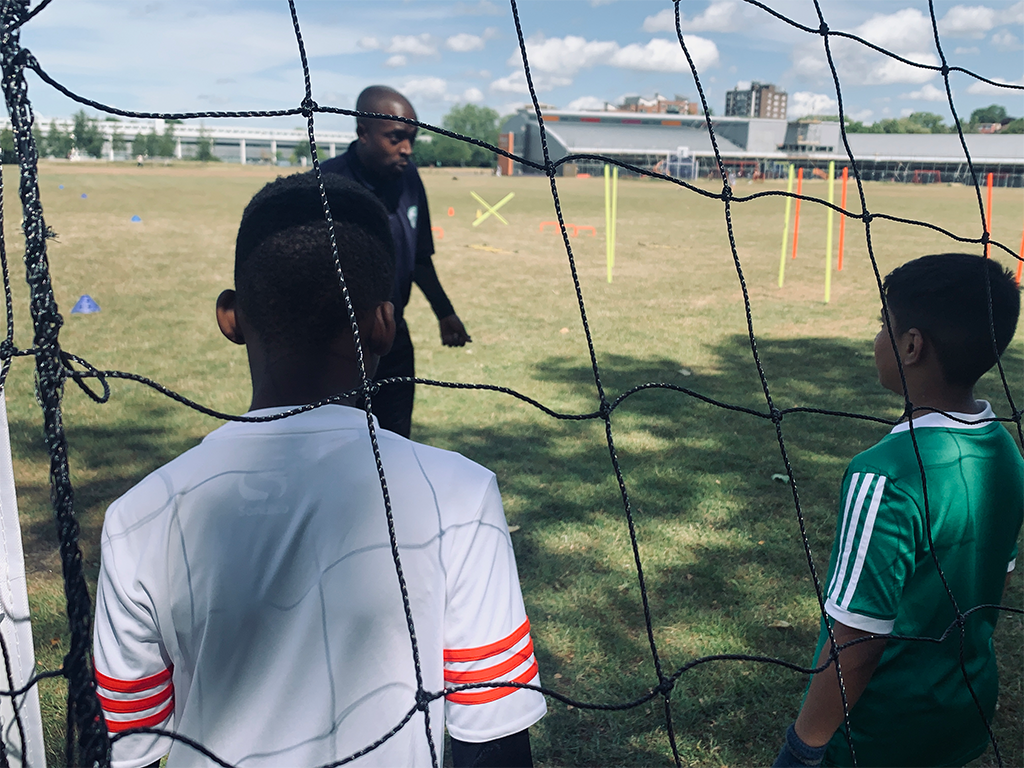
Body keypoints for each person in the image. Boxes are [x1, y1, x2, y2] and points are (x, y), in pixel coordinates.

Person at [92, 172, 545, 768]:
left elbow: (128, 750)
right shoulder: (458, 495)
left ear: (230, 318)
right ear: (384, 325)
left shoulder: (139, 516)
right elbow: (494, 742)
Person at [773, 253, 1023, 767]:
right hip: (962, 710)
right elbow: (996, 581)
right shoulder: (1005, 453)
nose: (875, 339)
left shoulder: (884, 475)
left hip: (876, 735)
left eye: (881, 323)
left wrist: (804, 746)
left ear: (912, 345)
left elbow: (856, 640)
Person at [320, 85, 470, 439]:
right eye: (396, 137)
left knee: (395, 440)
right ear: (363, 133)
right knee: (338, 440)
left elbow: (419, 257)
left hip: (392, 336)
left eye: (411, 139)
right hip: (336, 342)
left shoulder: (409, 178)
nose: (407, 149)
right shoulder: (326, 183)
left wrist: (444, 312)